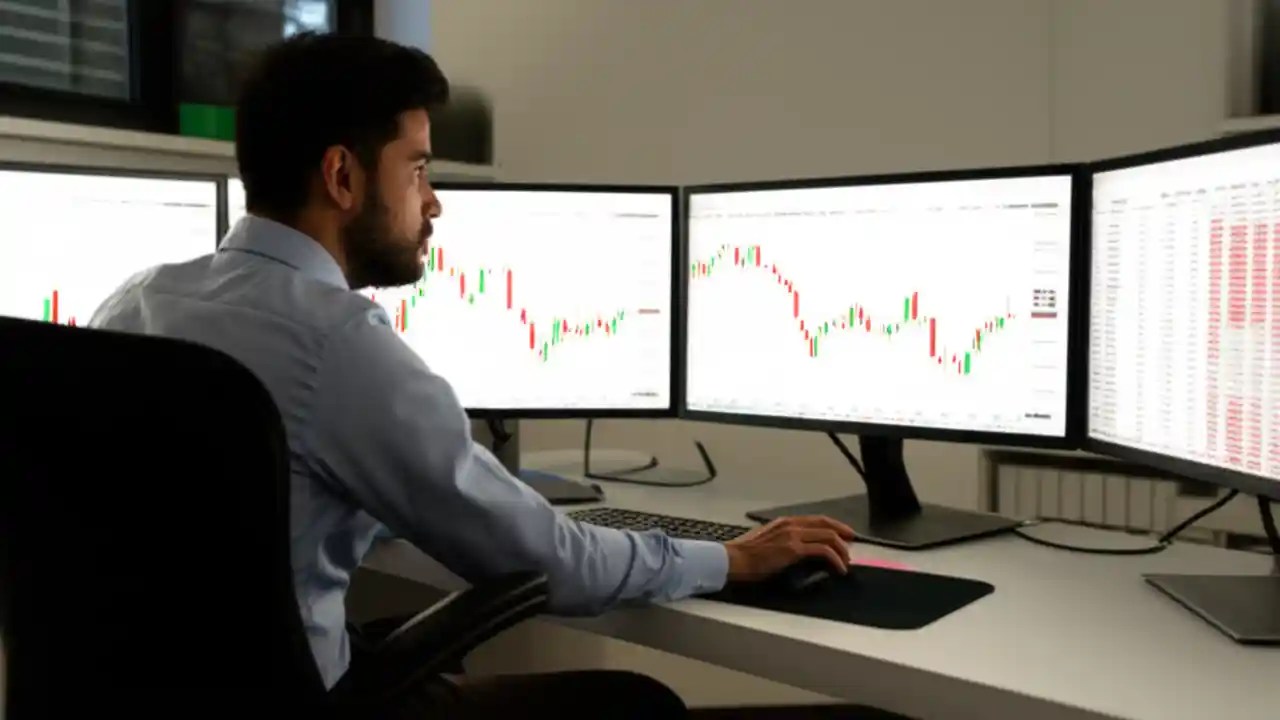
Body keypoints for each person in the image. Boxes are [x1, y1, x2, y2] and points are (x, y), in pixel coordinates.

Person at [89, 32, 876, 718]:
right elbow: (550, 564)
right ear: (342, 177)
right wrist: (730, 557)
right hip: (301, 706)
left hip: (123, 698)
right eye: (419, 168)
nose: (433, 203)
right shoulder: (339, 343)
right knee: (636, 704)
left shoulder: (136, 300)